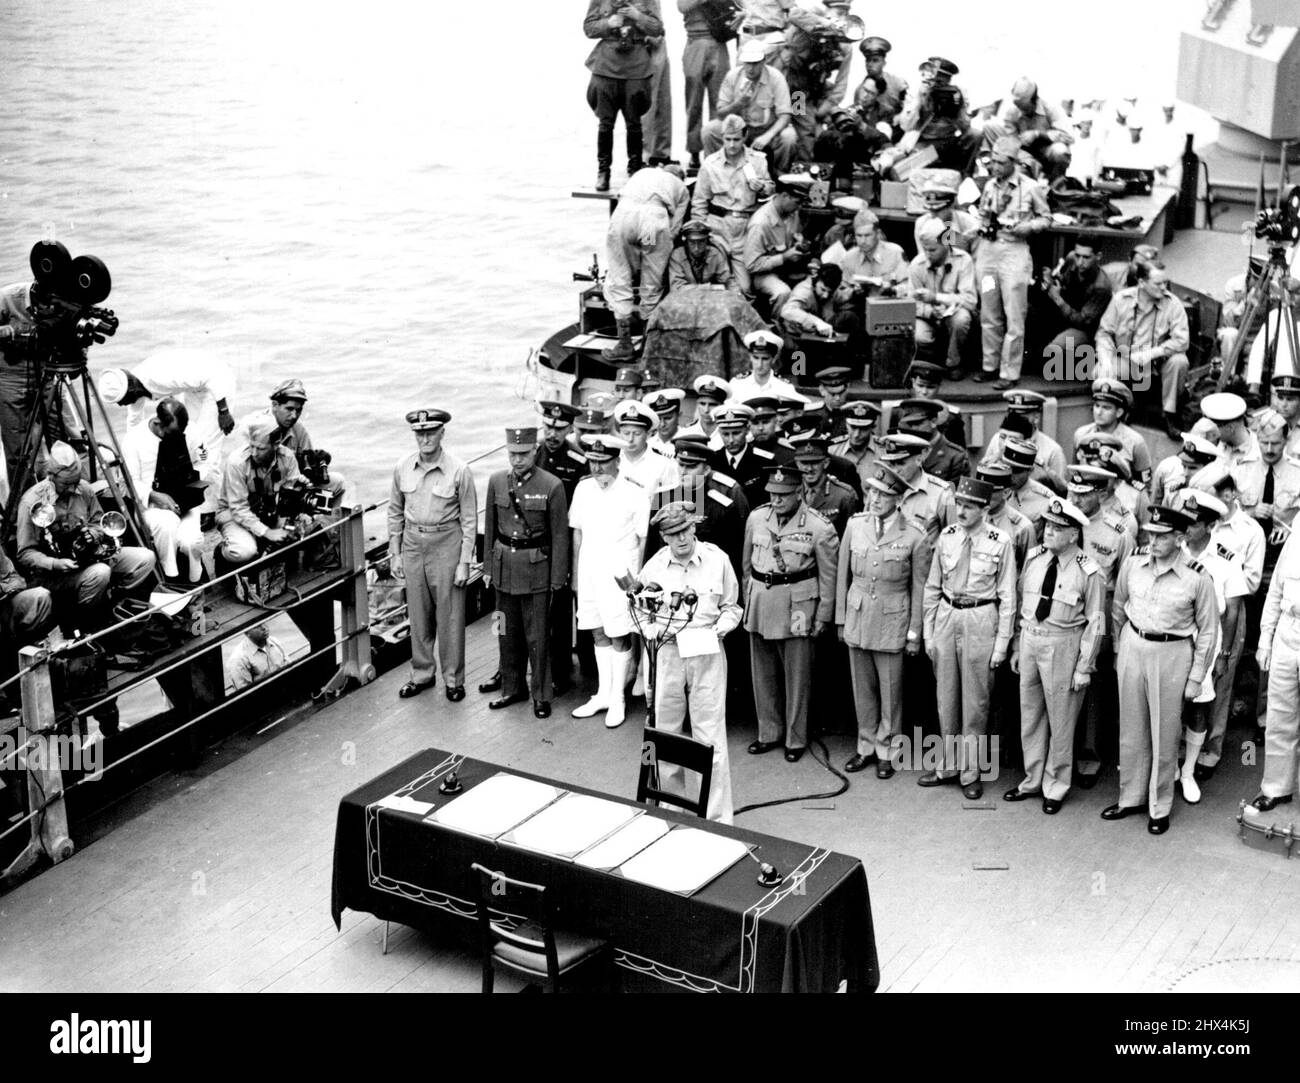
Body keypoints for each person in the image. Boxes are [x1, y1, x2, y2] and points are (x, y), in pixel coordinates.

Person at [1105, 504, 1217, 835]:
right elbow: (1118, 608)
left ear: (1180, 538)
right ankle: (1131, 797)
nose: (1152, 541)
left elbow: (1208, 631)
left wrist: (1196, 677)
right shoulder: (1133, 565)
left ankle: (1159, 805)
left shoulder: (1198, 577)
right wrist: (1118, 650)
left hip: (1172, 654)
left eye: (1162, 536)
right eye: (1150, 534)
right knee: (1132, 729)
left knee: (1165, 736)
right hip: (1133, 646)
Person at [639, 501, 742, 822]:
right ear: (663, 537)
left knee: (710, 737)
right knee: (665, 735)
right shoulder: (653, 568)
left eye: (685, 530)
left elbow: (732, 606)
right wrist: (653, 631)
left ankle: (715, 819)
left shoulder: (717, 560)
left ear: (695, 527)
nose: (681, 539)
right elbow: (641, 614)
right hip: (667, 655)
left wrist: (721, 629)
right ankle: (670, 811)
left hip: (706, 653)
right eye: (672, 534)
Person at [1004, 497, 1104, 812]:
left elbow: (1096, 623)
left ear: (1074, 534)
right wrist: (1019, 645)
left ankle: (1056, 786)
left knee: (1061, 721)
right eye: (1047, 525)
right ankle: (1032, 780)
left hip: (1064, 644)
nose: (1049, 532)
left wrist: (1083, 667)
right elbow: (1023, 605)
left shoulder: (1088, 570)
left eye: (1058, 528)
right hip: (1033, 640)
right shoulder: (1034, 560)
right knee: (1030, 716)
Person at [920, 476, 1018, 799]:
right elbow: (933, 587)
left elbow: (1008, 598)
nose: (961, 511)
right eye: (959, 504)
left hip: (980, 617)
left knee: (975, 703)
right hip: (948, 614)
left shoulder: (1000, 541)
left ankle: (971, 772)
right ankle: (946, 766)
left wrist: (1001, 645)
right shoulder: (947, 537)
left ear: (985, 508)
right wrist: (928, 632)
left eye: (969, 506)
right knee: (945, 697)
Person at [836, 463, 928, 777]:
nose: (875, 499)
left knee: (891, 691)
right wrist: (840, 619)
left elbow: (919, 587)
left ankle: (888, 749)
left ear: (899, 499)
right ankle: (865, 746)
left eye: (884, 494)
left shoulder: (914, 534)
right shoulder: (855, 525)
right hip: (859, 615)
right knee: (862, 690)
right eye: (872, 491)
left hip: (893, 620)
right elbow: (842, 576)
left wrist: (915, 631)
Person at [743, 464, 839, 762]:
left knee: (797, 677)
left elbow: (829, 577)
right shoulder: (757, 518)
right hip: (761, 601)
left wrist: (823, 616)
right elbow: (746, 564)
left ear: (799, 492)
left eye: (784, 495)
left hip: (798, 606)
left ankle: (795, 738)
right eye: (772, 493)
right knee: (763, 674)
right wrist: (750, 598)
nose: (777, 500)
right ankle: (768, 732)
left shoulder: (819, 527)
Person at [16, 441, 157, 633]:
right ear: (51, 476)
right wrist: (54, 563)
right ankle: (86, 621)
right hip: (57, 573)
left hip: (89, 557)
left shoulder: (83, 488)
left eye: (75, 481)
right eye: (66, 483)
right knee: (100, 573)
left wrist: (93, 533)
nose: (72, 488)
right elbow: (25, 553)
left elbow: (99, 522)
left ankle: (116, 605)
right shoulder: (32, 503)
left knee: (145, 558)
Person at [387, 409, 477, 702]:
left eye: (430, 432)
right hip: (413, 543)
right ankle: (422, 674)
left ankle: (453, 679)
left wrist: (464, 561)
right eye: (420, 433)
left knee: (450, 615)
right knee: (419, 613)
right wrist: (395, 553)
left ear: (442, 433)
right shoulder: (402, 467)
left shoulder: (459, 470)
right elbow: (395, 512)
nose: (425, 438)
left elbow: (469, 520)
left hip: (446, 543)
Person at [482, 427, 570, 720]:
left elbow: (559, 537)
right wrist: (488, 568)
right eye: (512, 454)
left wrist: (557, 578)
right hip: (504, 569)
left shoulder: (552, 486)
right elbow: (491, 529)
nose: (517, 460)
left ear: (535, 451)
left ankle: (541, 695)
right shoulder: (496, 481)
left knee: (538, 637)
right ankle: (512, 687)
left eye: (523, 454)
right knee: (505, 632)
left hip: (536, 572)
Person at [569, 433, 650, 728]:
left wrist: (637, 580)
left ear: (617, 461)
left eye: (603, 463)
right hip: (589, 569)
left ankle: (618, 698)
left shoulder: (635, 493)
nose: (597, 468)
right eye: (593, 462)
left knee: (619, 634)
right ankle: (603, 693)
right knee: (597, 632)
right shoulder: (583, 489)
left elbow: (643, 539)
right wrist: (576, 575)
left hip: (620, 574)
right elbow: (577, 532)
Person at [1173, 488, 1248, 805]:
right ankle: (1170, 766)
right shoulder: (1173, 548)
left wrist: (1224, 655)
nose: (1185, 528)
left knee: (1199, 707)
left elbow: (1231, 612)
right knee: (1169, 705)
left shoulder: (1226, 558)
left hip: (1206, 639)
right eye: (1184, 520)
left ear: (1209, 525)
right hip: (1173, 637)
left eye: (1192, 522)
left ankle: (1188, 770)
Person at [99, 349, 236, 511]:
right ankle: (194, 501)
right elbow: (133, 425)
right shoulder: (136, 388)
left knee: (207, 451)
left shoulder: (157, 376)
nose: (122, 405)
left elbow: (213, 376)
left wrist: (224, 411)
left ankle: (209, 510)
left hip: (217, 384)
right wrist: (129, 454)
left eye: (122, 401)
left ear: (131, 390)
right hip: (194, 389)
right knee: (187, 446)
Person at [974, 136, 1052, 390]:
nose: (994, 167)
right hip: (989, 252)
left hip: (1014, 252)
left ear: (1013, 162)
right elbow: (983, 213)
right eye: (992, 162)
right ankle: (989, 365)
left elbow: (1046, 219)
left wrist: (1027, 226)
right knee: (989, 309)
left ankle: (1009, 372)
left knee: (1014, 312)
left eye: (1000, 163)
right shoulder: (989, 186)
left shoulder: (1029, 188)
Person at [602, 161, 690, 361]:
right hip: (651, 223)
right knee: (651, 281)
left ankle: (624, 343)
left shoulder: (643, 173)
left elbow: (619, 196)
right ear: (680, 176)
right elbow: (675, 230)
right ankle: (647, 343)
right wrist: (653, 253)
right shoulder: (681, 188)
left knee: (619, 275)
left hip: (624, 219)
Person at [1095, 264, 1190, 440]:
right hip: (1127, 361)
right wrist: (1105, 359)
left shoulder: (1172, 304)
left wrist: (1151, 354)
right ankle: (1113, 416)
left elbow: (1182, 340)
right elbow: (1104, 333)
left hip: (1156, 364)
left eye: (1165, 282)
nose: (1164, 287)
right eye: (1158, 283)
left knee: (1179, 361)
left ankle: (1169, 414)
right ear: (1141, 282)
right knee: (1101, 370)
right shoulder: (1121, 300)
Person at [120, 396, 207, 583]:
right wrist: (154, 495)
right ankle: (171, 575)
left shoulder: (191, 431)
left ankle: (195, 578)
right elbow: (128, 483)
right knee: (167, 524)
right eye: (171, 433)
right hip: (151, 506)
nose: (175, 438)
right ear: (158, 424)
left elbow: (204, 459)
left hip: (184, 500)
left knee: (192, 541)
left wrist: (194, 484)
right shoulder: (133, 440)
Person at [583, 0, 666, 191]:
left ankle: (635, 169)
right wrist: (608, 23)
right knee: (605, 123)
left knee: (634, 123)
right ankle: (603, 172)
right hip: (606, 66)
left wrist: (638, 16)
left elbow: (657, 28)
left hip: (636, 66)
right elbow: (588, 28)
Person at [692, 114, 774, 293]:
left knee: (744, 288)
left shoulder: (758, 161)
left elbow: (771, 192)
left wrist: (762, 188)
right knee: (709, 282)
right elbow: (699, 203)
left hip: (745, 228)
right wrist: (702, 233)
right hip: (717, 228)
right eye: (727, 139)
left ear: (745, 137)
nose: (731, 145)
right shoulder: (710, 164)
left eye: (736, 139)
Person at [234, 379, 347, 508]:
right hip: (256, 491)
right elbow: (242, 470)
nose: (294, 415)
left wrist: (316, 467)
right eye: (289, 409)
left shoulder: (298, 429)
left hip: (288, 487)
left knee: (337, 482)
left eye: (298, 410)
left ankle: (323, 525)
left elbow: (305, 470)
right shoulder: (251, 425)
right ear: (275, 405)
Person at [1254, 525, 1300, 813]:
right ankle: (1276, 788)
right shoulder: (1297, 532)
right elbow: (1275, 590)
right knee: (1280, 716)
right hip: (1288, 629)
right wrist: (1265, 640)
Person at [216, 416, 302, 566]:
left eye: (261, 448)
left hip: (268, 512)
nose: (254, 453)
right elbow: (238, 509)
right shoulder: (237, 463)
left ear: (276, 444)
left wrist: (288, 526)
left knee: (296, 534)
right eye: (251, 446)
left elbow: (291, 499)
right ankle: (222, 552)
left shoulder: (287, 458)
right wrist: (267, 532)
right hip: (233, 514)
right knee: (244, 551)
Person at [701, 39, 797, 171]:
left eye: (755, 63)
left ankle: (778, 175)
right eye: (747, 63)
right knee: (709, 130)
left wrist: (767, 136)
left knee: (789, 137)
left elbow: (785, 115)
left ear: (764, 61)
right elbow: (720, 113)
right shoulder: (732, 76)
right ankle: (716, 171)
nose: (751, 68)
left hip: (768, 128)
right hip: (739, 128)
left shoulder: (776, 78)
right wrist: (739, 103)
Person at [909, 219, 977, 372]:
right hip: (927, 316)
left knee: (961, 319)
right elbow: (910, 302)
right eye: (925, 249)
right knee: (917, 334)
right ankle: (930, 364)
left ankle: (954, 363)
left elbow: (970, 301)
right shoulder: (916, 265)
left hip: (952, 314)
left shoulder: (963, 260)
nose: (927, 255)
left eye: (932, 250)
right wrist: (930, 311)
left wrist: (937, 298)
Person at [1035, 242, 1113, 373]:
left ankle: (1082, 363)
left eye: (1086, 257)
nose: (1080, 262)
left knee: (1053, 352)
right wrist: (1051, 280)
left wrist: (1058, 299)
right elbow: (1063, 280)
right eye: (1078, 256)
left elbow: (1083, 322)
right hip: (1065, 313)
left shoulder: (1101, 287)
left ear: (1098, 256)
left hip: (1085, 329)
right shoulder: (1072, 258)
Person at [894, 56, 981, 171]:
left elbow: (965, 126)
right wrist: (921, 99)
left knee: (975, 134)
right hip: (924, 142)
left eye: (941, 82)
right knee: (903, 171)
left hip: (948, 141)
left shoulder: (956, 94)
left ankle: (964, 175)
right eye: (933, 80)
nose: (937, 86)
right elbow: (905, 125)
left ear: (948, 80)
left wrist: (957, 111)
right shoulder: (919, 92)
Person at [743, 174, 813, 313]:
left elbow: (793, 235)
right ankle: (778, 327)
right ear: (785, 196)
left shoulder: (791, 212)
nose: (799, 208)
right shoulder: (761, 223)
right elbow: (751, 265)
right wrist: (784, 257)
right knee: (783, 292)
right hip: (763, 273)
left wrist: (800, 245)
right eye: (797, 202)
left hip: (787, 268)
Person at [678, 0, 732, 173]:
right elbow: (682, 6)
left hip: (718, 40)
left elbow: (737, 6)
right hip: (695, 40)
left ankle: (717, 151)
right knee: (694, 102)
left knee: (721, 101)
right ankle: (694, 151)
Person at [983, 77, 1073, 178]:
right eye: (1018, 106)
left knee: (1060, 150)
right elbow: (1012, 140)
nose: (1020, 110)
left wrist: (1038, 134)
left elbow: (1068, 137)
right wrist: (1023, 156)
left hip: (1047, 152)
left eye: (1023, 106)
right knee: (989, 127)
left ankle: (1057, 184)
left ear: (1034, 100)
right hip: (1024, 153)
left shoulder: (1050, 108)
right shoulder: (1012, 111)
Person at [981, 389, 1067, 494]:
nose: (1015, 419)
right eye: (1012, 413)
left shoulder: (1053, 451)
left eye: (1022, 416)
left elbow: (1060, 490)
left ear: (1036, 417)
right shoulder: (997, 439)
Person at [1073, 378, 1152, 486]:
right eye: (1097, 406)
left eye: (1106, 408)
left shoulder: (1135, 441)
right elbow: (1075, 473)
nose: (1099, 412)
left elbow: (1144, 483)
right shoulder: (1081, 435)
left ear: (1119, 412)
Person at [882, 432, 955, 545]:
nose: (895, 470)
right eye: (891, 464)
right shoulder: (881, 488)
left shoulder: (942, 493)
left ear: (919, 459)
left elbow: (953, 538)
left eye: (901, 463)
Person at [0, 547, 55, 688]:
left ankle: (34, 663)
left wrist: (6, 588)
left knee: (40, 597)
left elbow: (15, 578)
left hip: (4, 603)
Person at [791, 432, 858, 537]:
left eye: (815, 463)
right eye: (804, 463)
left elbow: (851, 537)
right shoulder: (791, 493)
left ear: (826, 463)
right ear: (797, 464)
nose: (809, 469)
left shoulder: (843, 495)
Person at [832, 209, 909, 297]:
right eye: (859, 236)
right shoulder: (849, 257)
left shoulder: (895, 252)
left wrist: (893, 290)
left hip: (889, 304)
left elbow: (909, 286)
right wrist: (853, 292)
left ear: (877, 234)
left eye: (867, 235)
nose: (863, 241)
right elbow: (839, 294)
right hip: (860, 305)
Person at [895, 398, 968, 486]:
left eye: (918, 423)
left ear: (933, 421)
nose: (913, 428)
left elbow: (956, 495)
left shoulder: (955, 456)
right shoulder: (902, 450)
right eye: (910, 424)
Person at [976, 461, 1036, 567]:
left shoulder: (1022, 527)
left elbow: (1028, 569)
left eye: (990, 491)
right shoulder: (973, 517)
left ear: (1006, 493)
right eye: (980, 489)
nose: (984, 495)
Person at [614, 398, 680, 493]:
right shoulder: (611, 460)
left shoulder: (664, 465)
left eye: (637, 433)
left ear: (648, 434)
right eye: (626, 433)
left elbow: (672, 500)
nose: (630, 439)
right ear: (620, 432)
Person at [1149, 431, 1220, 510]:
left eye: (1192, 468)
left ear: (1207, 468)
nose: (1185, 473)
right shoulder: (1175, 490)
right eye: (1184, 466)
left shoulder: (1214, 496)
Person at [1001, 435, 1055, 536]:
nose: (1011, 476)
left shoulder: (1045, 500)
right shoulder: (996, 490)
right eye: (1007, 468)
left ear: (1030, 471)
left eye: (1017, 471)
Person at [913, 177, 981, 256]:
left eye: (939, 210)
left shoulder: (970, 224)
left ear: (951, 206)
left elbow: (977, 259)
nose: (934, 215)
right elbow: (924, 258)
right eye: (931, 211)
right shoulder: (921, 223)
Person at [728, 328, 798, 401]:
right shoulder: (737, 384)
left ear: (774, 359)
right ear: (750, 357)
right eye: (756, 358)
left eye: (765, 359)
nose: (759, 365)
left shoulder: (784, 387)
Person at [668, 219, 736, 291]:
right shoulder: (677, 256)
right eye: (692, 242)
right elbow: (676, 288)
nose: (697, 248)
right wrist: (709, 287)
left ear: (707, 241)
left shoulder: (715, 254)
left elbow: (728, 281)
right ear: (686, 242)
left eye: (701, 242)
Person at [829, 400, 881, 490]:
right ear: (846, 424)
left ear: (873, 427)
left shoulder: (884, 452)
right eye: (853, 427)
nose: (857, 434)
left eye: (863, 429)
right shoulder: (832, 450)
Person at [676, 375, 731, 449]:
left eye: (712, 404)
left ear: (722, 406)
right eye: (702, 404)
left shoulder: (730, 435)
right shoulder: (685, 433)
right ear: (697, 404)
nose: (706, 410)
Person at [229, 624, 287, 691]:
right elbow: (244, 691)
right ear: (247, 633)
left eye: (264, 622)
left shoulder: (274, 641)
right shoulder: (238, 658)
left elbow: (287, 663)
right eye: (257, 626)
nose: (264, 628)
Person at [645, 387, 687, 453]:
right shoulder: (647, 445)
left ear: (679, 415)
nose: (662, 424)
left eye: (668, 418)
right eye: (658, 419)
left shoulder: (688, 441)